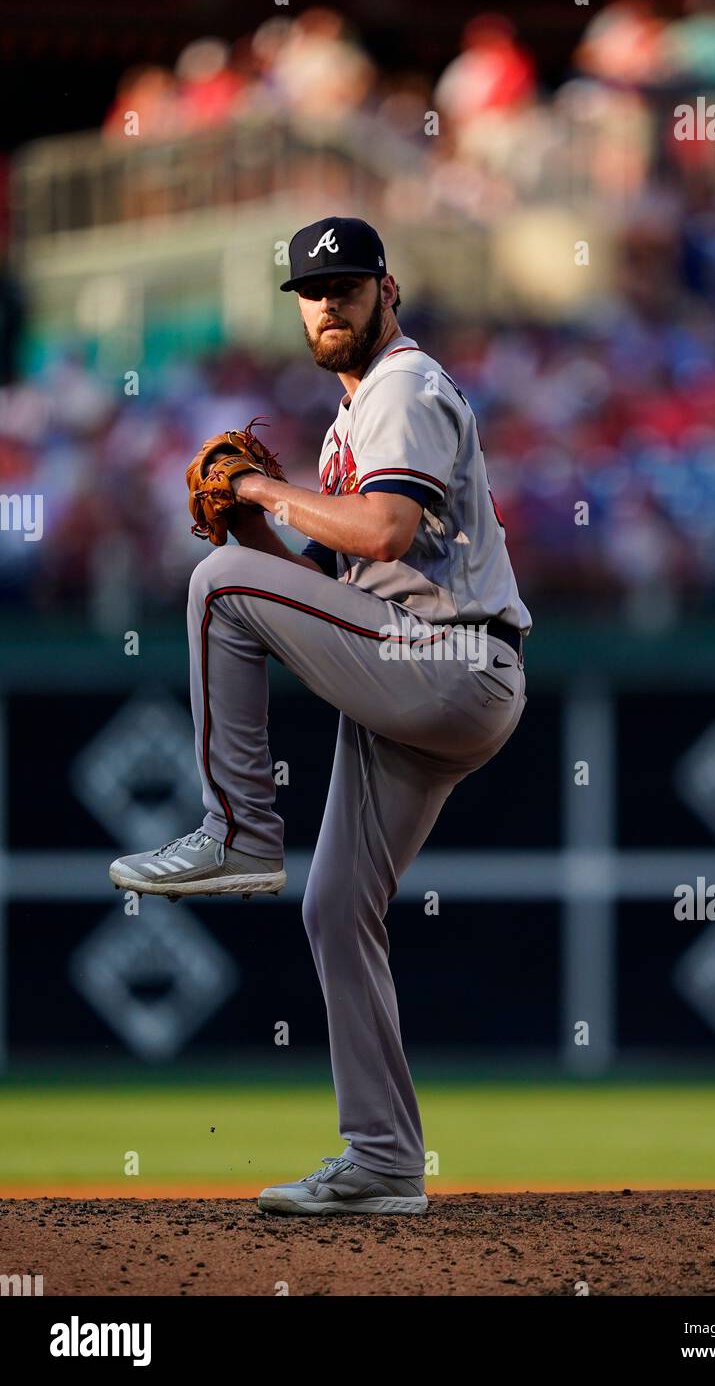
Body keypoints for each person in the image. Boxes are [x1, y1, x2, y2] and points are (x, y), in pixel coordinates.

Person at [109, 216, 531, 1216]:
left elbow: (382, 524)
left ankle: (240, 829)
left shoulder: (404, 385)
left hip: (450, 657)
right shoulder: (351, 421)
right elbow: (343, 575)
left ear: (386, 289)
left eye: (346, 284)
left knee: (215, 583)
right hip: (417, 665)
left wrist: (257, 489)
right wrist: (263, 527)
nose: (328, 302)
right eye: (311, 288)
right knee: (336, 906)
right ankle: (385, 1161)